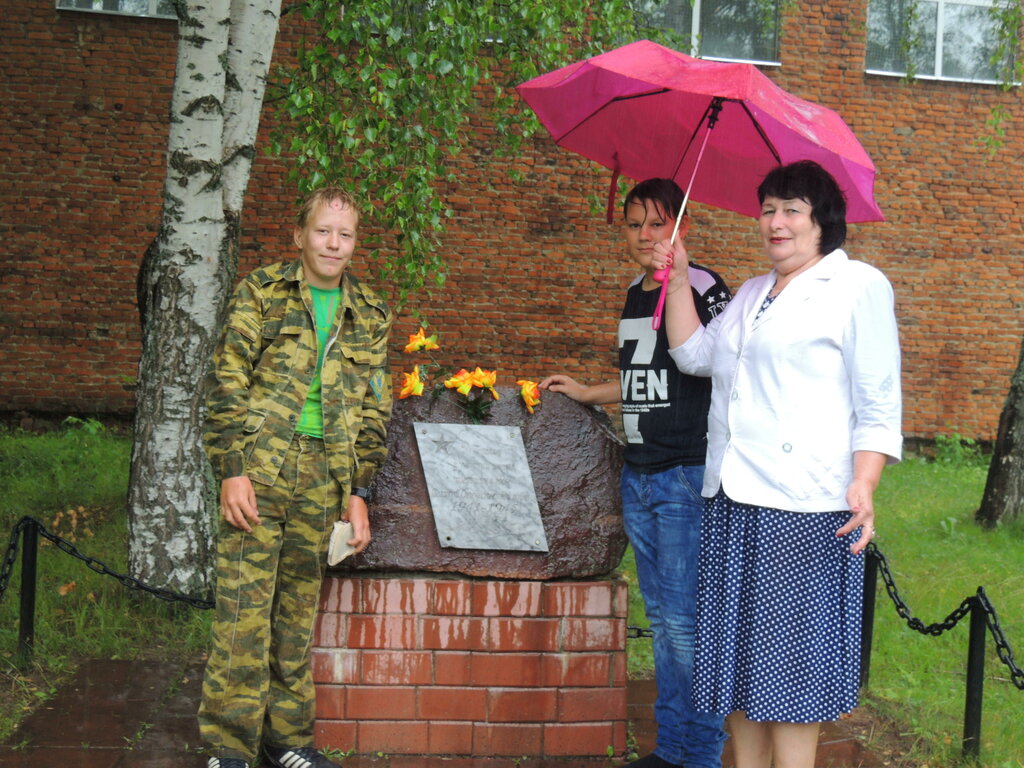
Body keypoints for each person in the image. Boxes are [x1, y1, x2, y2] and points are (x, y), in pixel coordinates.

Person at [654, 160, 902, 768]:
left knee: (788, 677)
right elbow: (692, 356)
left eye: (792, 209)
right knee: (737, 671)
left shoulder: (857, 286)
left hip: (804, 508)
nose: (775, 221)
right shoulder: (751, 293)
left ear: (823, 222)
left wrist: (865, 483)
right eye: (767, 208)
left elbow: (877, 401)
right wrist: (681, 277)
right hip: (733, 501)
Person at [199, 187, 394, 768]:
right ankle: (228, 749)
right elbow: (226, 382)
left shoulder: (372, 314)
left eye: (346, 234)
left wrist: (358, 494)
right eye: (323, 231)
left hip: (324, 478)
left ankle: (286, 742)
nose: (333, 244)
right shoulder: (263, 291)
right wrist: (231, 471)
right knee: (242, 614)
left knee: (295, 617)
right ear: (300, 235)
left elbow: (374, 412)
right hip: (260, 471)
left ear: (356, 243)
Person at [541, 178, 731, 768]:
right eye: (634, 224)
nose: (646, 235)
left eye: (658, 223)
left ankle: (696, 753)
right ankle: (670, 748)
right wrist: (588, 392)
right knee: (663, 617)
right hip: (639, 473)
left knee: (684, 623)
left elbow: (725, 373)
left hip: (683, 477)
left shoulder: (704, 287)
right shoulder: (631, 291)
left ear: (682, 226)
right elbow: (642, 386)